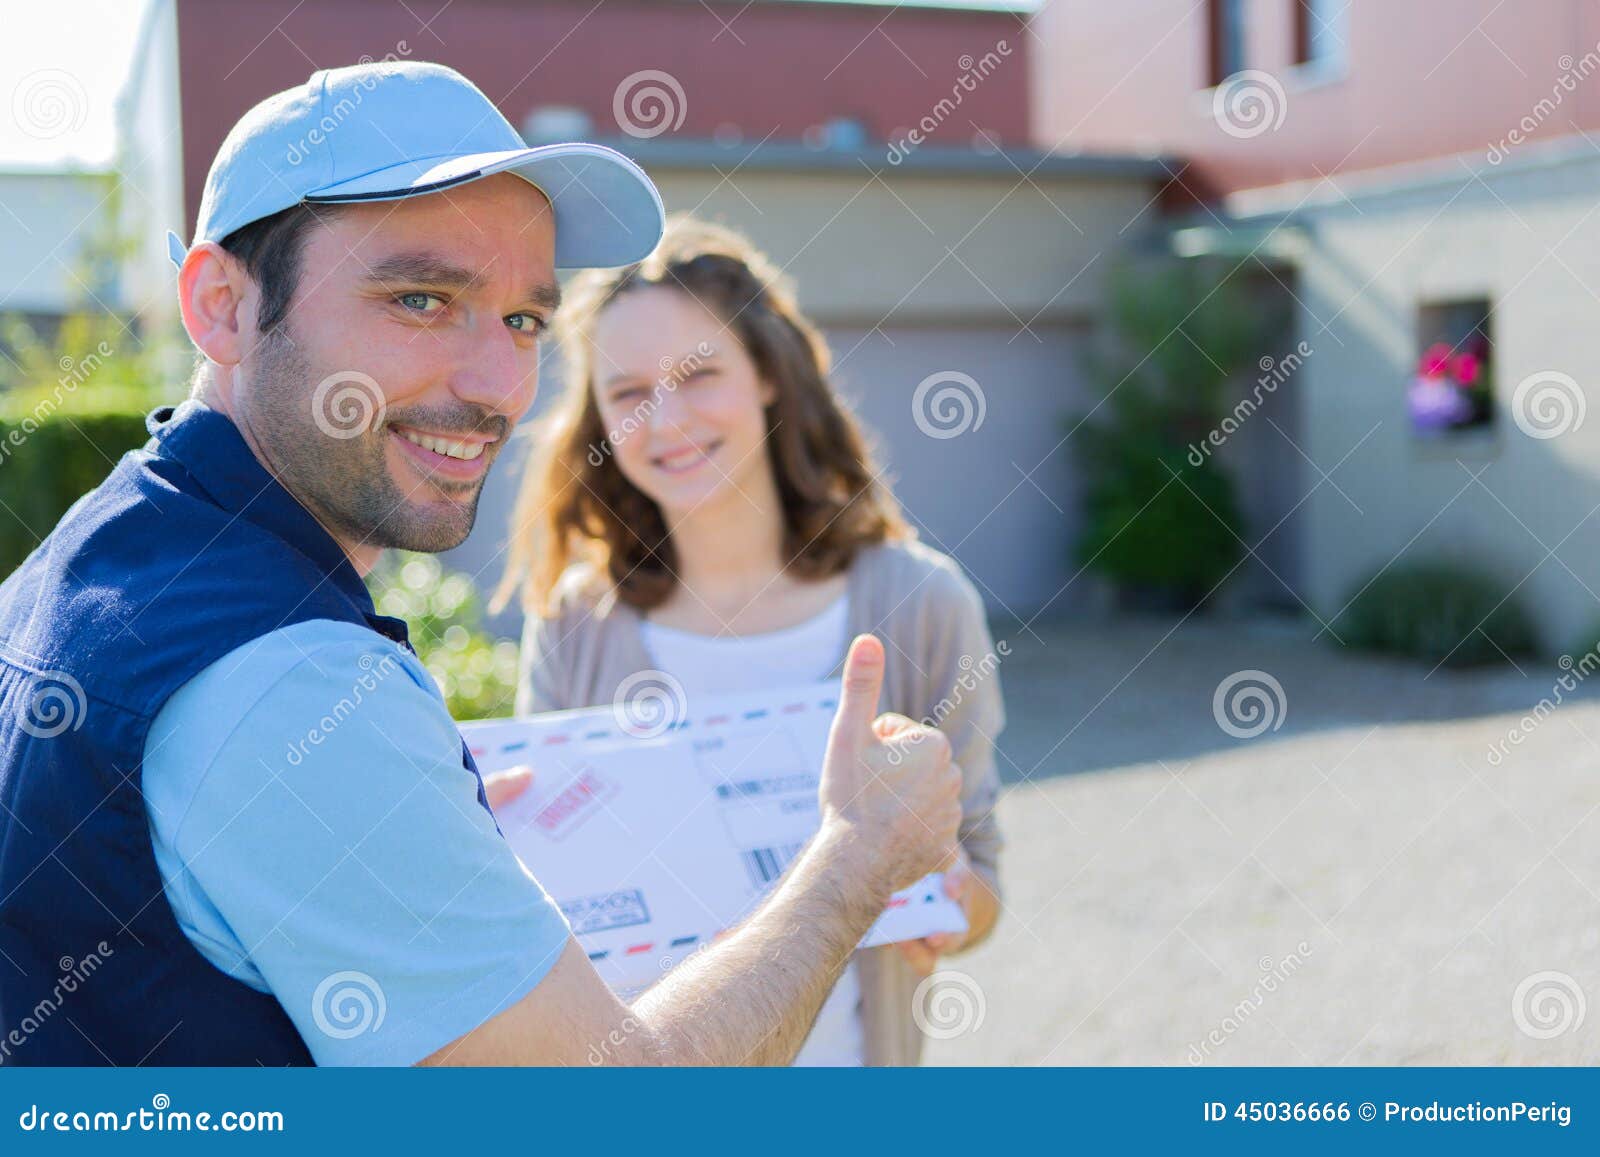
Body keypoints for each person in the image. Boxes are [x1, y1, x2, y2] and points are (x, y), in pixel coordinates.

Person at [0, 61, 960, 1067]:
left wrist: (424, 823)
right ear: (222, 306)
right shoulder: (291, 683)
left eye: (523, 320)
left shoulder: (89, 557)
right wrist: (854, 858)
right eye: (419, 298)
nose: (498, 385)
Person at [494, 216, 1005, 1066]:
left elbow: (980, 877)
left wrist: (939, 895)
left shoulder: (918, 601)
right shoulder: (579, 620)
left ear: (768, 376)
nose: (666, 420)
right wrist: (504, 843)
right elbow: (547, 913)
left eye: (699, 375)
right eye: (627, 393)